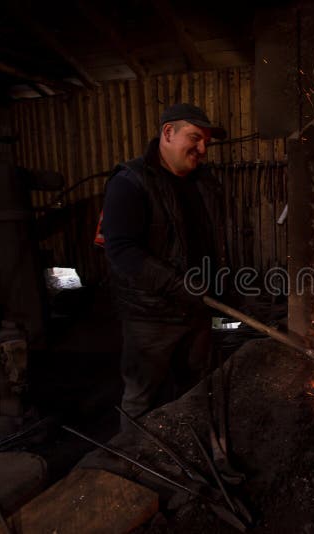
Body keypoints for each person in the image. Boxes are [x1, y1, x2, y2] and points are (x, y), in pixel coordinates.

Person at [102, 103, 228, 427]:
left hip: (198, 310)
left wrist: (220, 287)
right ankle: (130, 467)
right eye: (195, 138)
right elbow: (121, 250)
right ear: (168, 133)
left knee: (197, 391)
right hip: (151, 318)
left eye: (206, 143)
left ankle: (189, 451)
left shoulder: (204, 183)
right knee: (141, 399)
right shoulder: (129, 182)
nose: (202, 149)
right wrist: (177, 285)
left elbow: (209, 244)